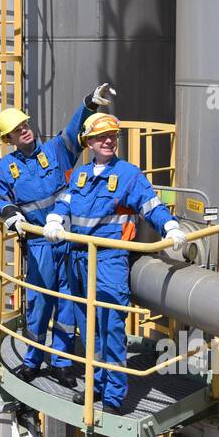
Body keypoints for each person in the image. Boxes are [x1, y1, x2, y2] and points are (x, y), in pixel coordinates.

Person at [42, 112, 187, 413]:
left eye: (113, 136)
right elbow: (65, 202)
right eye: (101, 137)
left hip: (108, 259)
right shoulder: (81, 174)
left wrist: (169, 226)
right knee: (88, 326)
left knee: (110, 327)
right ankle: (95, 386)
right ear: (90, 142)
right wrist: (55, 218)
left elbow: (151, 205)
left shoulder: (128, 175)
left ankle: (113, 396)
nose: (108, 141)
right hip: (78, 257)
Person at [0, 83, 116, 387]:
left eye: (25, 125)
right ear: (8, 139)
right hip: (39, 246)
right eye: (17, 130)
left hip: (68, 240)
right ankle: (33, 361)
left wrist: (89, 103)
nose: (25, 131)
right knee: (38, 303)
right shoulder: (7, 169)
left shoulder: (54, 151)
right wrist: (11, 215)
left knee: (68, 303)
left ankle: (61, 363)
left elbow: (73, 133)